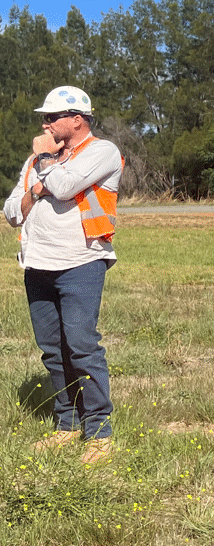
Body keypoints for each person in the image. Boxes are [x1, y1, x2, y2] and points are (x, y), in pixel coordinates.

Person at [4, 86, 123, 465]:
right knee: (53, 352)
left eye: (53, 117)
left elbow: (65, 185)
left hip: (80, 263)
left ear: (77, 119)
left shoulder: (101, 152)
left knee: (82, 346)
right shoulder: (39, 159)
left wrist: (44, 166)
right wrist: (35, 189)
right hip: (37, 264)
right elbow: (10, 212)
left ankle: (99, 432)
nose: (46, 123)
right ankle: (67, 426)